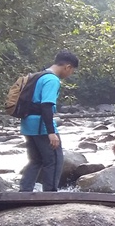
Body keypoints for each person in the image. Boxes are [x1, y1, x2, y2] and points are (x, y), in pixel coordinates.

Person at [19, 50, 79, 192]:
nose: (70, 74)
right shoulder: (52, 80)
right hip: (41, 126)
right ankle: (50, 194)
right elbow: (46, 106)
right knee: (54, 160)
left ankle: (24, 191)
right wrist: (51, 132)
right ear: (67, 67)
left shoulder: (38, 76)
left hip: (28, 124)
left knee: (36, 160)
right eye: (72, 71)